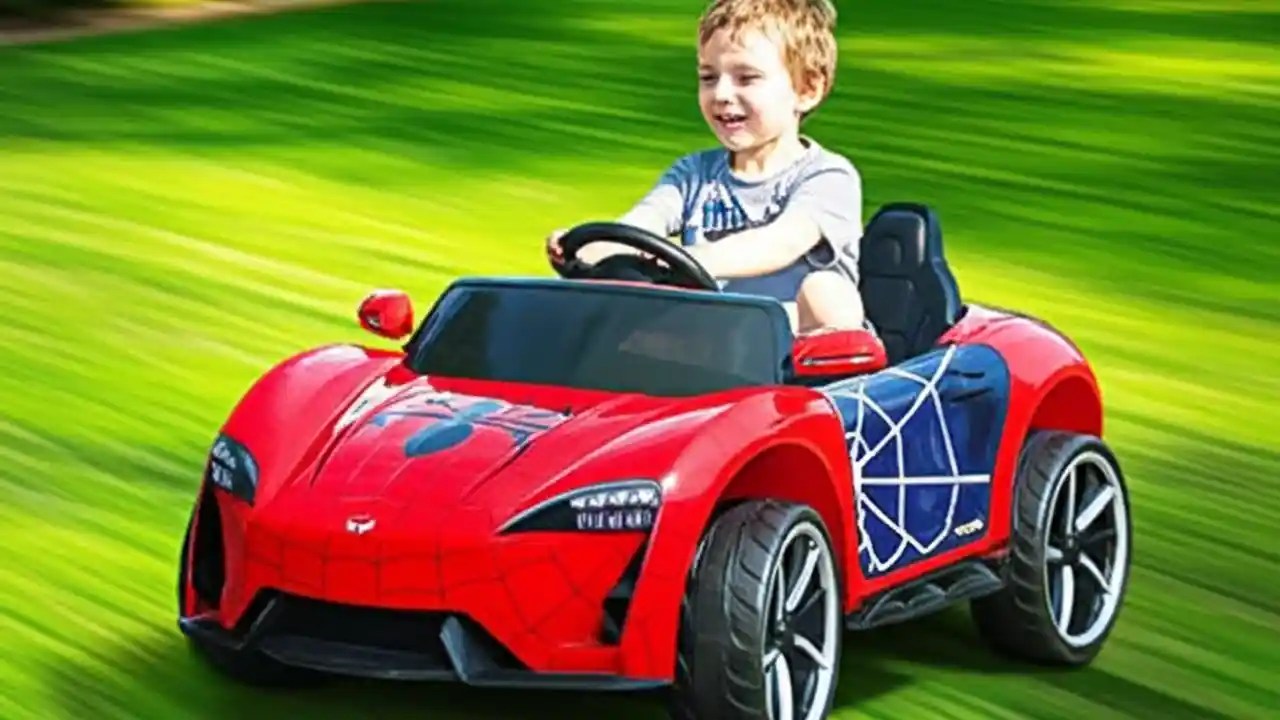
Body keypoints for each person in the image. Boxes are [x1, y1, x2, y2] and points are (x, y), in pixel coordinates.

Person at [547, 0, 869, 336]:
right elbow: (641, 225)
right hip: (714, 345)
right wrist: (584, 249)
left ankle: (834, 354)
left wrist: (688, 258)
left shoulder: (828, 176)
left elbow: (782, 241)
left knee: (825, 291)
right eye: (708, 77)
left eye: (746, 78)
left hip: (797, 349)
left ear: (807, 89)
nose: (722, 94)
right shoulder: (693, 175)